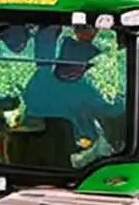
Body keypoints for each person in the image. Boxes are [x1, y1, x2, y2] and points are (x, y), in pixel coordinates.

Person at [20, 30, 125, 161]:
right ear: (80, 68)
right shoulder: (82, 89)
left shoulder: (40, 78)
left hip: (29, 148)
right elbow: (111, 109)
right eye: (84, 66)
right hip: (64, 151)